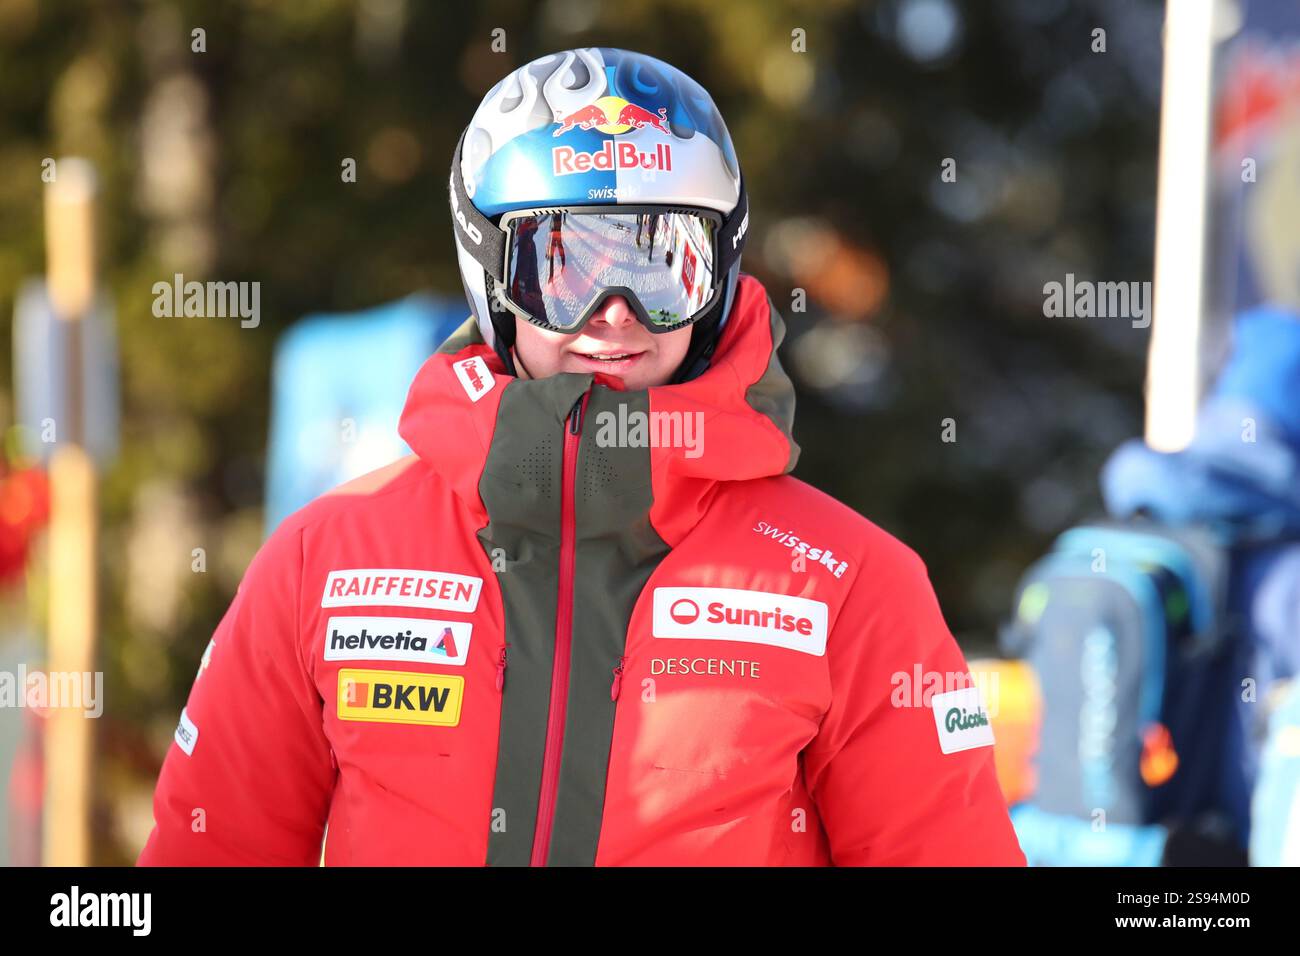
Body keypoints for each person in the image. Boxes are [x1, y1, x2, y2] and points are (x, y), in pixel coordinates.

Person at [138, 47, 1025, 866]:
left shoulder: (847, 583)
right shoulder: (325, 562)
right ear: (492, 278)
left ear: (717, 279)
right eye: (562, 265)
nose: (615, 315)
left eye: (662, 264)